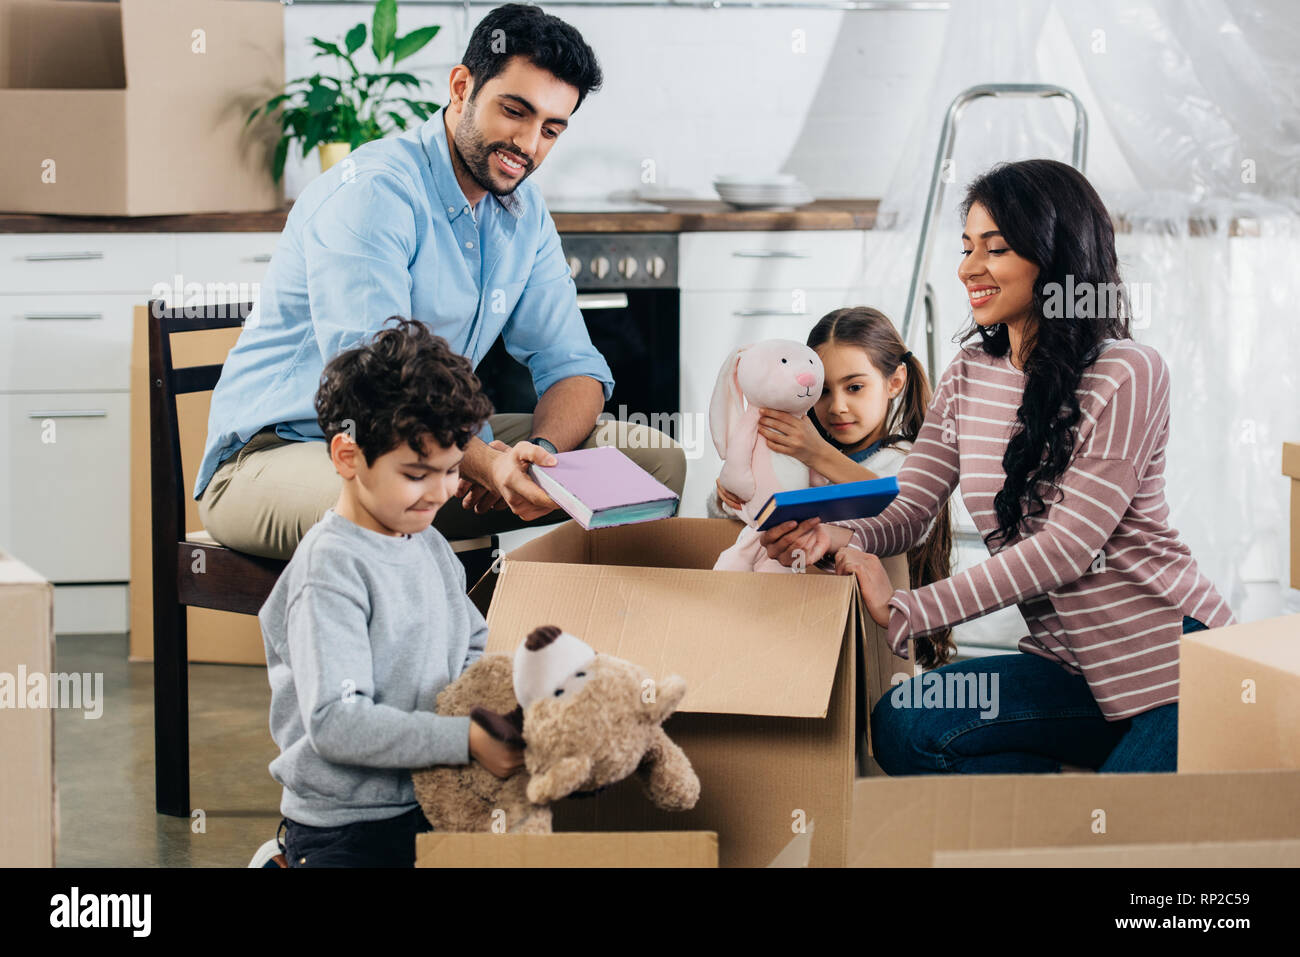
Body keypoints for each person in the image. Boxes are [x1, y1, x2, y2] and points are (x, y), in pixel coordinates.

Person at [760, 158, 1234, 774]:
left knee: (1125, 830)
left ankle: (1095, 807)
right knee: (906, 724)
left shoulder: (1128, 371)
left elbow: (1066, 549)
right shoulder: (968, 374)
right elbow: (911, 509)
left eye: (996, 248)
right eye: (966, 248)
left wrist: (911, 608)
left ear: (1055, 257)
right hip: (1069, 674)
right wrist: (840, 535)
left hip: (1171, 667)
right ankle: (1045, 812)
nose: (968, 269)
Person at [195, 3, 685, 561]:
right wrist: (481, 461)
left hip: (431, 441)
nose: (527, 144)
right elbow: (380, 386)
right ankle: (474, 629)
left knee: (654, 463)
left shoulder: (523, 213)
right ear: (461, 86)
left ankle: (556, 637)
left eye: (550, 129)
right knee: (396, 493)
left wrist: (538, 457)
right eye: (514, 112)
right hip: (286, 453)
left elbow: (573, 366)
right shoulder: (375, 192)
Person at [255, 319, 524, 868]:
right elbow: (336, 723)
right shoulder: (330, 569)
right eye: (416, 473)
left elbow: (473, 645)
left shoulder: (426, 544)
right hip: (345, 826)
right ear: (348, 456)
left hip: (430, 799)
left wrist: (499, 712)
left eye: (450, 472)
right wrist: (466, 741)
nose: (439, 494)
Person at [712, 306, 956, 668]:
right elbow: (741, 516)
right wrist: (730, 490)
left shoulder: (905, 459)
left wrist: (817, 452)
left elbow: (902, 511)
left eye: (855, 387)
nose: (837, 406)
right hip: (796, 635)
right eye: (824, 391)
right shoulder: (798, 453)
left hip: (880, 657)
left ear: (895, 382)